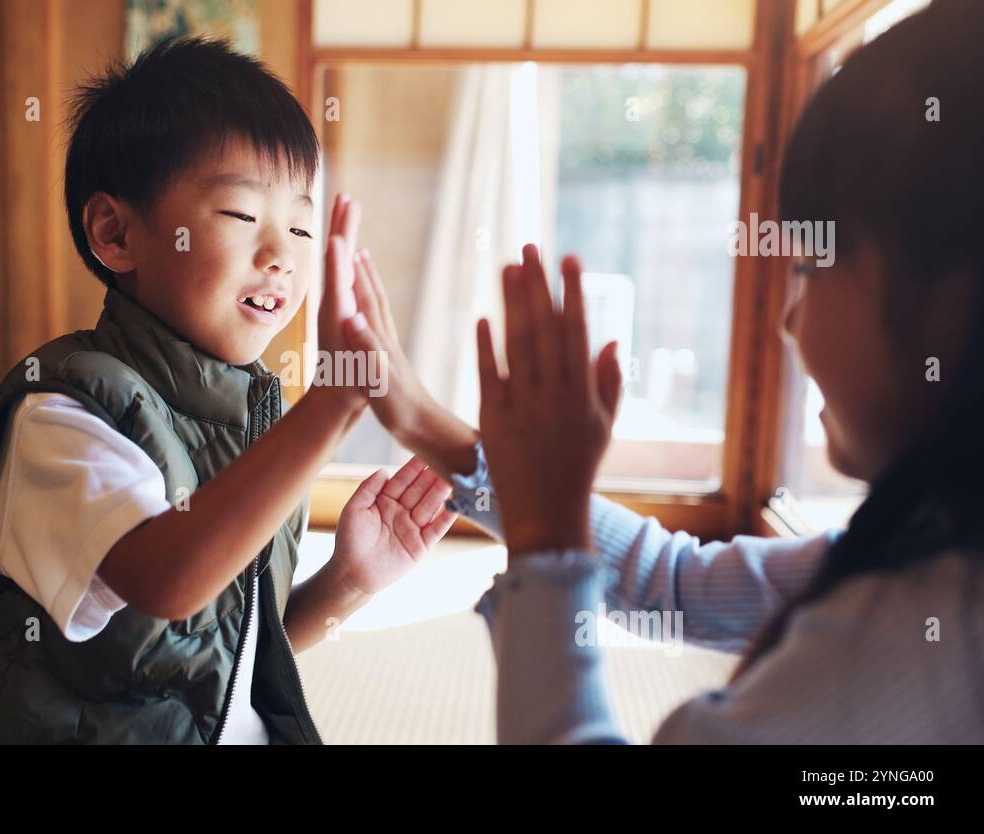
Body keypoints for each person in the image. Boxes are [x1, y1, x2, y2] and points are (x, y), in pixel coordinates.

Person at [344, 0, 984, 743]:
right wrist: (415, 414)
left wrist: (550, 541)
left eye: (813, 266)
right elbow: (674, 582)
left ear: (951, 302)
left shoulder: (919, 632)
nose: (787, 318)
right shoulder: (921, 542)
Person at [0, 37, 454, 744]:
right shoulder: (65, 417)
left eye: (298, 225)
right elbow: (167, 584)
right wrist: (333, 404)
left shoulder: (247, 416)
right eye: (240, 216)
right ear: (115, 234)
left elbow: (226, 652)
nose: (282, 254)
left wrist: (349, 580)